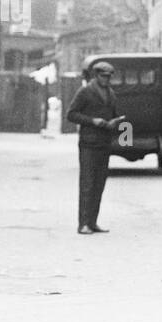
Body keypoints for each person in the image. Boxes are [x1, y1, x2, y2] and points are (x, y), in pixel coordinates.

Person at [66, 61, 125, 234]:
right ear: (96, 76)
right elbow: (71, 114)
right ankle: (83, 223)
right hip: (89, 144)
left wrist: (115, 124)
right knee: (87, 184)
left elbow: (115, 116)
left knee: (99, 184)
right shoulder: (85, 92)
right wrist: (93, 121)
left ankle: (93, 222)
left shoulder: (111, 94)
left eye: (108, 77)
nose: (106, 80)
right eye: (103, 76)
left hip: (104, 144)